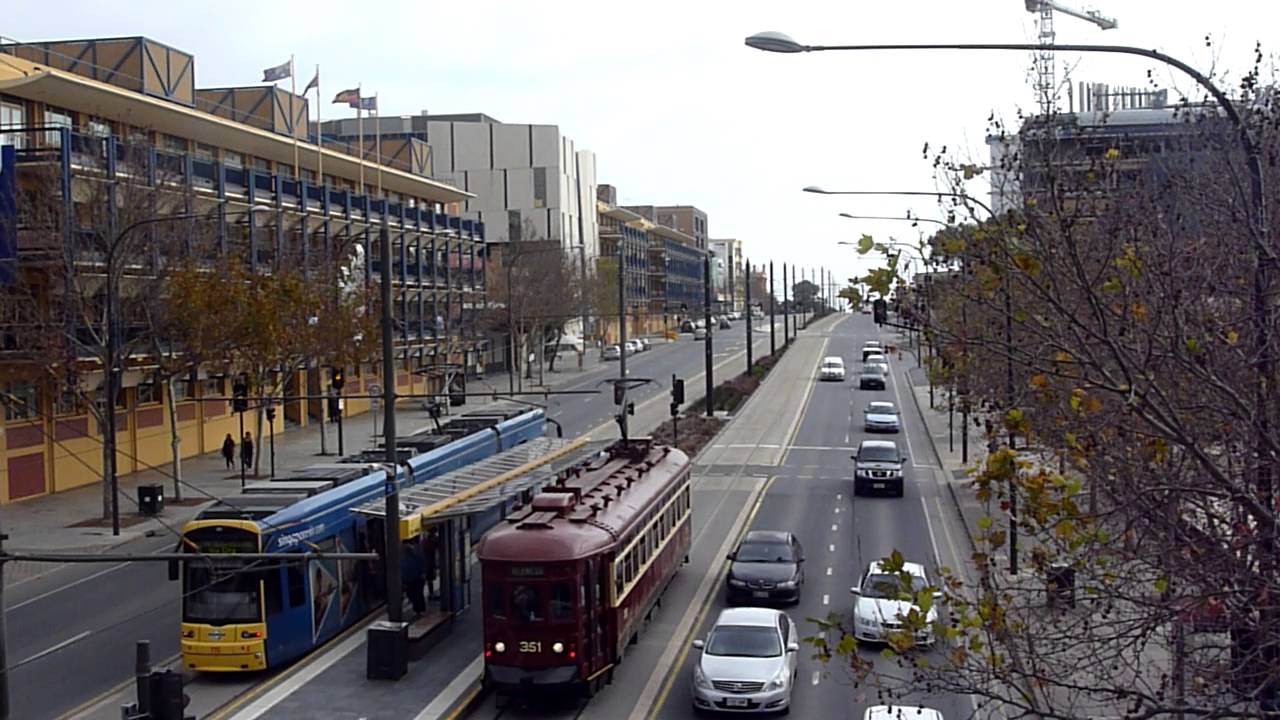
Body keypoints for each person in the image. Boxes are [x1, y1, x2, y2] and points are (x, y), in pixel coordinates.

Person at [400, 540, 426, 617]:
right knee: (412, 594)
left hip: (417, 579)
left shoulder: (415, 557)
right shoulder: (403, 559)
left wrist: (422, 574)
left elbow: (421, 565)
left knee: (417, 594)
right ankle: (418, 609)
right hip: (410, 580)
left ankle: (419, 609)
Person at [423, 528, 440, 601]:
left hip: (428, 562)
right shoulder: (432, 540)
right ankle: (431, 594)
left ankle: (431, 593)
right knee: (430, 578)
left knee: (430, 579)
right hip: (430, 563)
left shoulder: (425, 540)